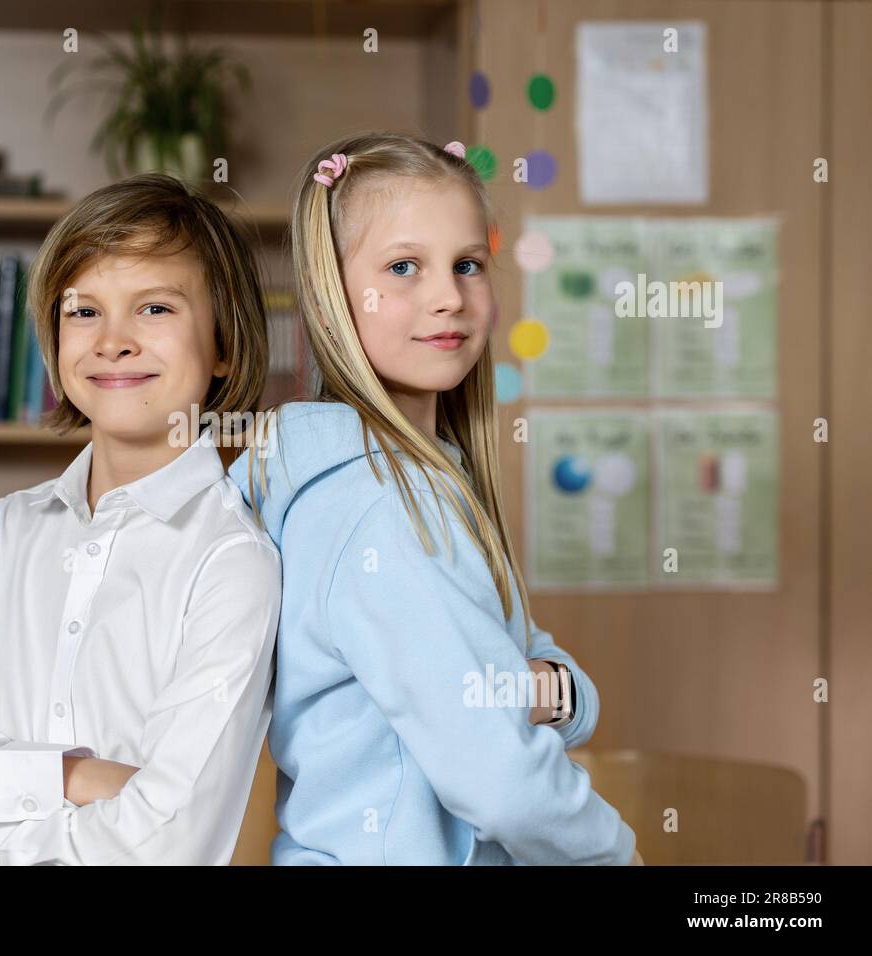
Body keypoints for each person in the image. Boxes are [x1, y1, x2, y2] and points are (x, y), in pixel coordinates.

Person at [229, 132, 643, 865]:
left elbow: (521, 666)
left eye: (468, 265)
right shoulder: (379, 505)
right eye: (403, 267)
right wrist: (618, 857)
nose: (448, 296)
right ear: (328, 302)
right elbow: (503, 781)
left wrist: (555, 691)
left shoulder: (416, 478)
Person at [0, 173, 281, 865]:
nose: (112, 341)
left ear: (225, 344)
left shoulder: (232, 559)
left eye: (154, 309)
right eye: (83, 311)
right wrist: (70, 775)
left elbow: (167, 844)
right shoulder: (5, 533)